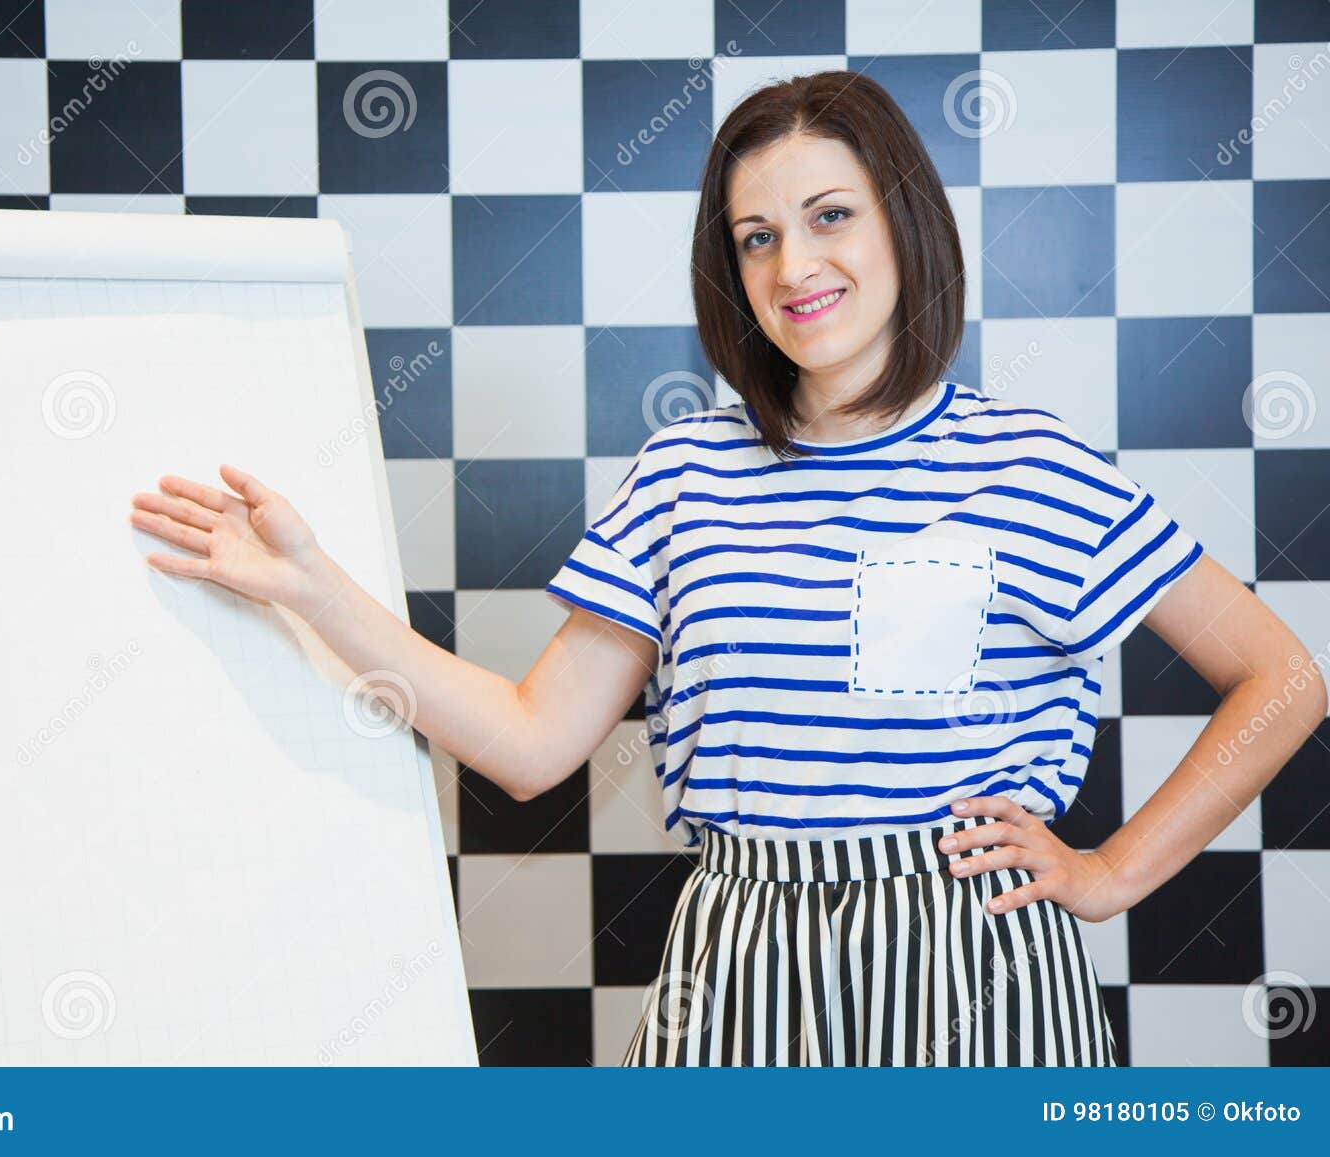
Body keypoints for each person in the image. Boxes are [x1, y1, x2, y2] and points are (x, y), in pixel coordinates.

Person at [128, 71, 1325, 1067]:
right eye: (755, 236)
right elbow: (534, 741)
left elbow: (1280, 675)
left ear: (904, 220)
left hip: (977, 971)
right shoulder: (684, 473)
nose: (791, 263)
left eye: (829, 215)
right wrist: (312, 584)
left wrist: (1112, 871)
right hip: (739, 966)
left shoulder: (1032, 465)